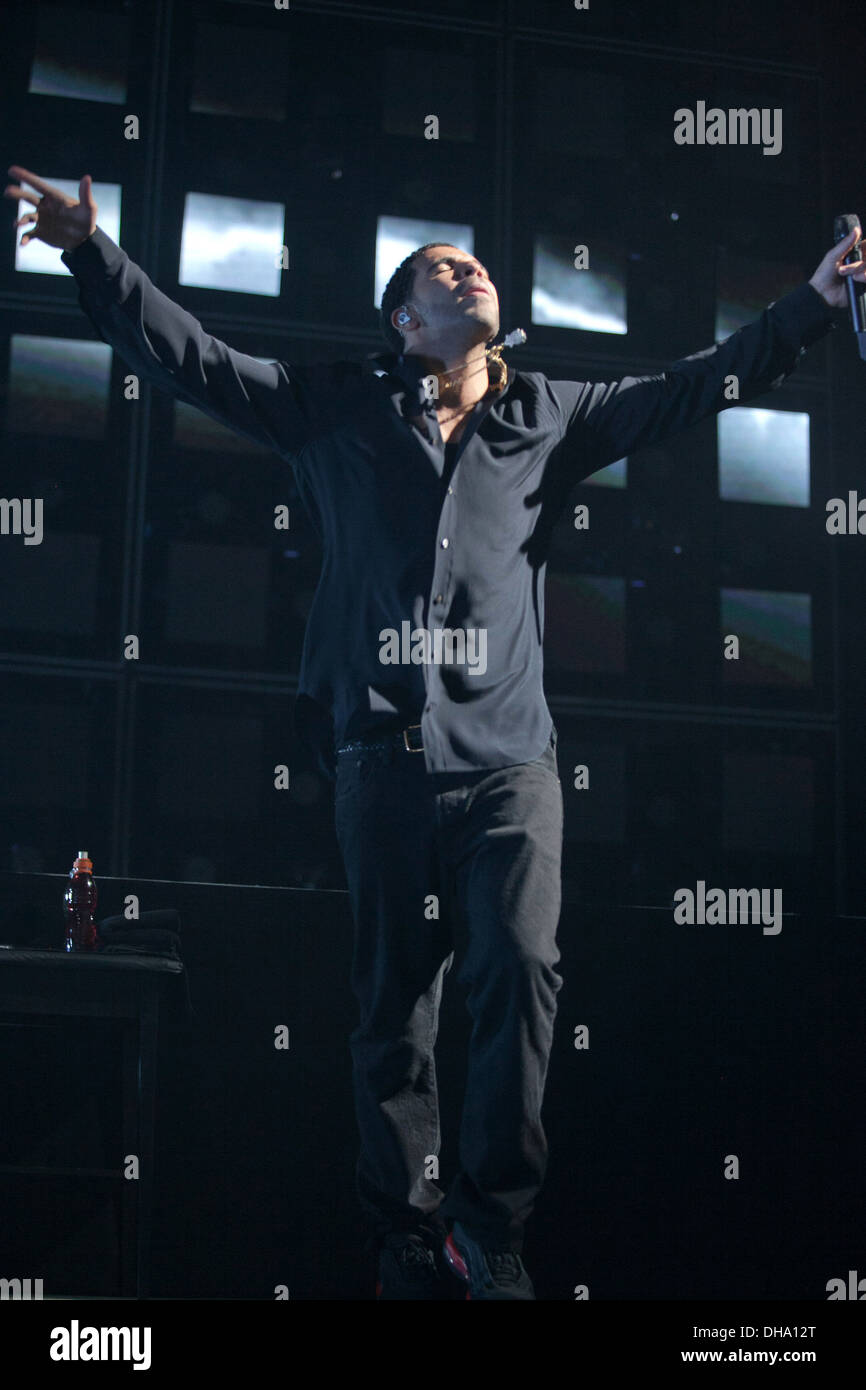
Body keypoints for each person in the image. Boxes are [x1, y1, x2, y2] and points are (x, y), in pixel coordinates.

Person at [6, 166, 861, 1300]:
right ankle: (405, 1235)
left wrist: (808, 300)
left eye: (479, 265)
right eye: (441, 269)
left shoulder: (546, 416)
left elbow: (691, 385)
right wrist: (87, 251)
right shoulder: (333, 407)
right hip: (381, 765)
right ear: (405, 318)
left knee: (521, 973)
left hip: (509, 766)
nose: (472, 270)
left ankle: (488, 1228)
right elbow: (195, 355)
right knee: (393, 1008)